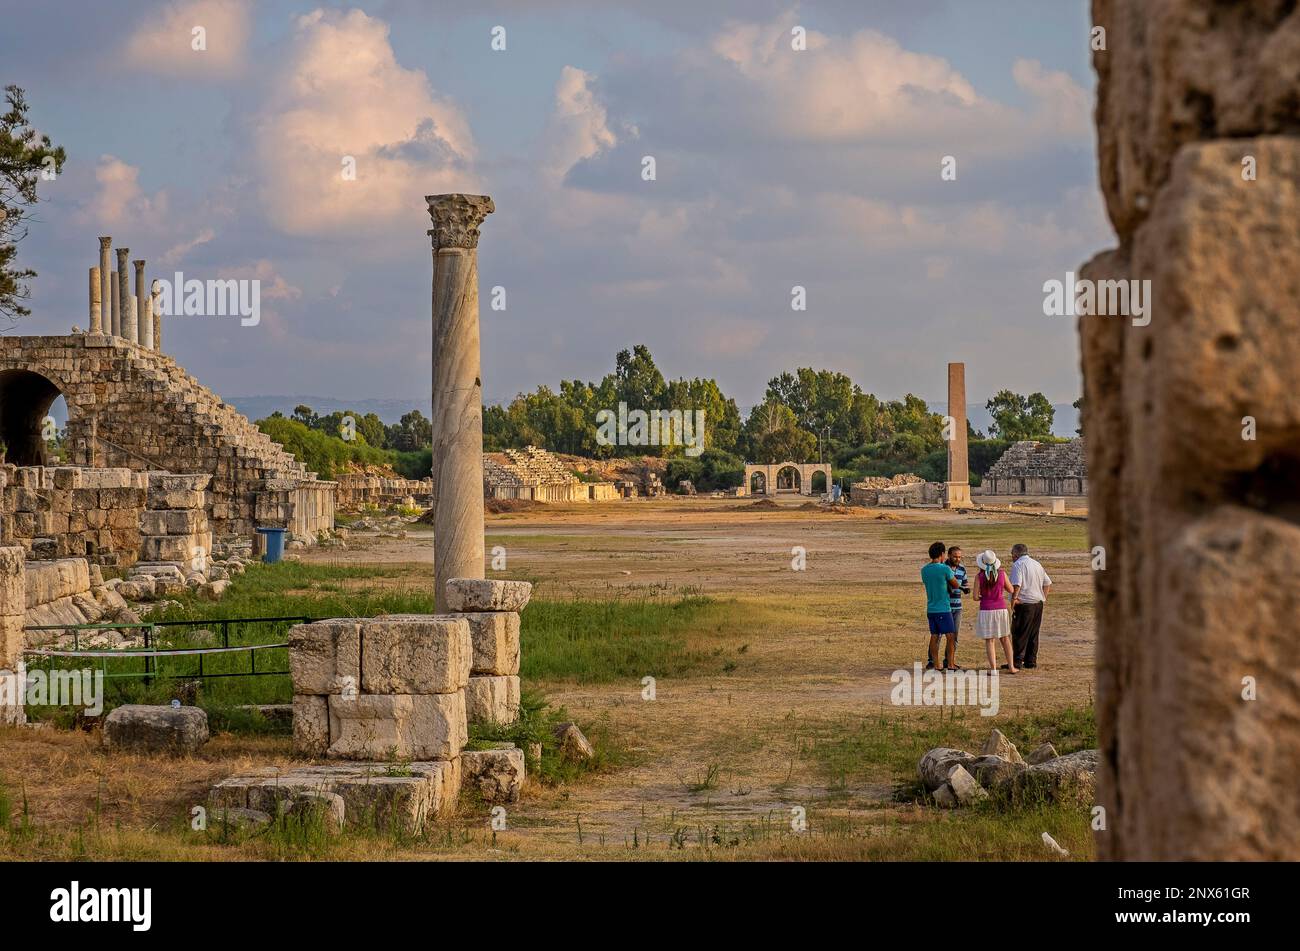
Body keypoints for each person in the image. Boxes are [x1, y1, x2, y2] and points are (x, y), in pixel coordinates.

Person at [1009, 542, 1052, 670]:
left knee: (1019, 633)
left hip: (1025, 603)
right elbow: (1047, 583)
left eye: (1012, 554)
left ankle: (1017, 661)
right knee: (1033, 633)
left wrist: (1014, 599)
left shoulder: (1018, 565)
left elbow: (1017, 584)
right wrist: (1043, 598)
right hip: (1038, 604)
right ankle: (1031, 661)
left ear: (1016, 554)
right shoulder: (1037, 564)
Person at [921, 541, 962, 671]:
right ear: (942, 554)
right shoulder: (945, 569)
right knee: (951, 636)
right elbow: (955, 585)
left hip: (931, 608)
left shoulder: (924, 570)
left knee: (934, 635)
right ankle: (950, 664)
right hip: (943, 608)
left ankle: (935, 663)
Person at [974, 549, 1016, 673]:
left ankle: (993, 669)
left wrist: (984, 597)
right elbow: (1011, 590)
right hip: (1000, 608)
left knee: (990, 640)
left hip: (986, 609)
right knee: (1005, 638)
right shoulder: (1002, 574)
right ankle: (1011, 666)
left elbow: (975, 596)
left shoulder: (979, 577)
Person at [946, 546, 970, 638]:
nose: (957, 559)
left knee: (954, 637)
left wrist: (966, 589)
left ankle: (950, 653)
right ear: (949, 556)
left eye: (959, 557)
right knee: (939, 636)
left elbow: (965, 584)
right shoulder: (944, 568)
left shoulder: (962, 569)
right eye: (955, 557)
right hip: (945, 607)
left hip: (958, 607)